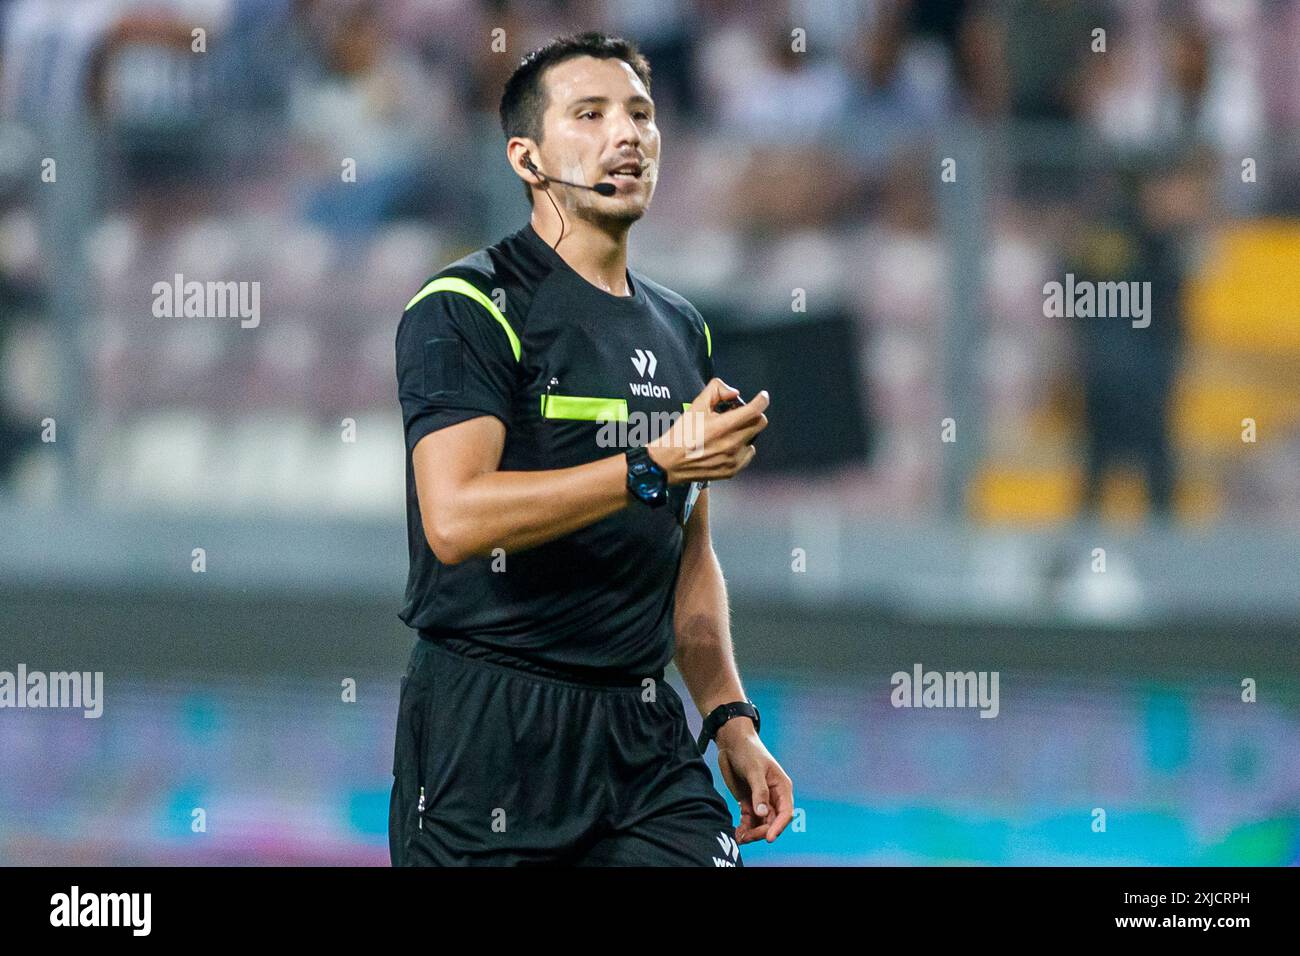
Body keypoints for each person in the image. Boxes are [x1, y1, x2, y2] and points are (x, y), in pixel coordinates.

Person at [389, 32, 793, 866]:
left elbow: (689, 552)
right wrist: (651, 466)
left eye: (642, 115)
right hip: (490, 733)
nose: (628, 135)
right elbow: (458, 519)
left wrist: (728, 716)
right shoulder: (468, 306)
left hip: (643, 741)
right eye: (592, 114)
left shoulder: (683, 329)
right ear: (528, 159)